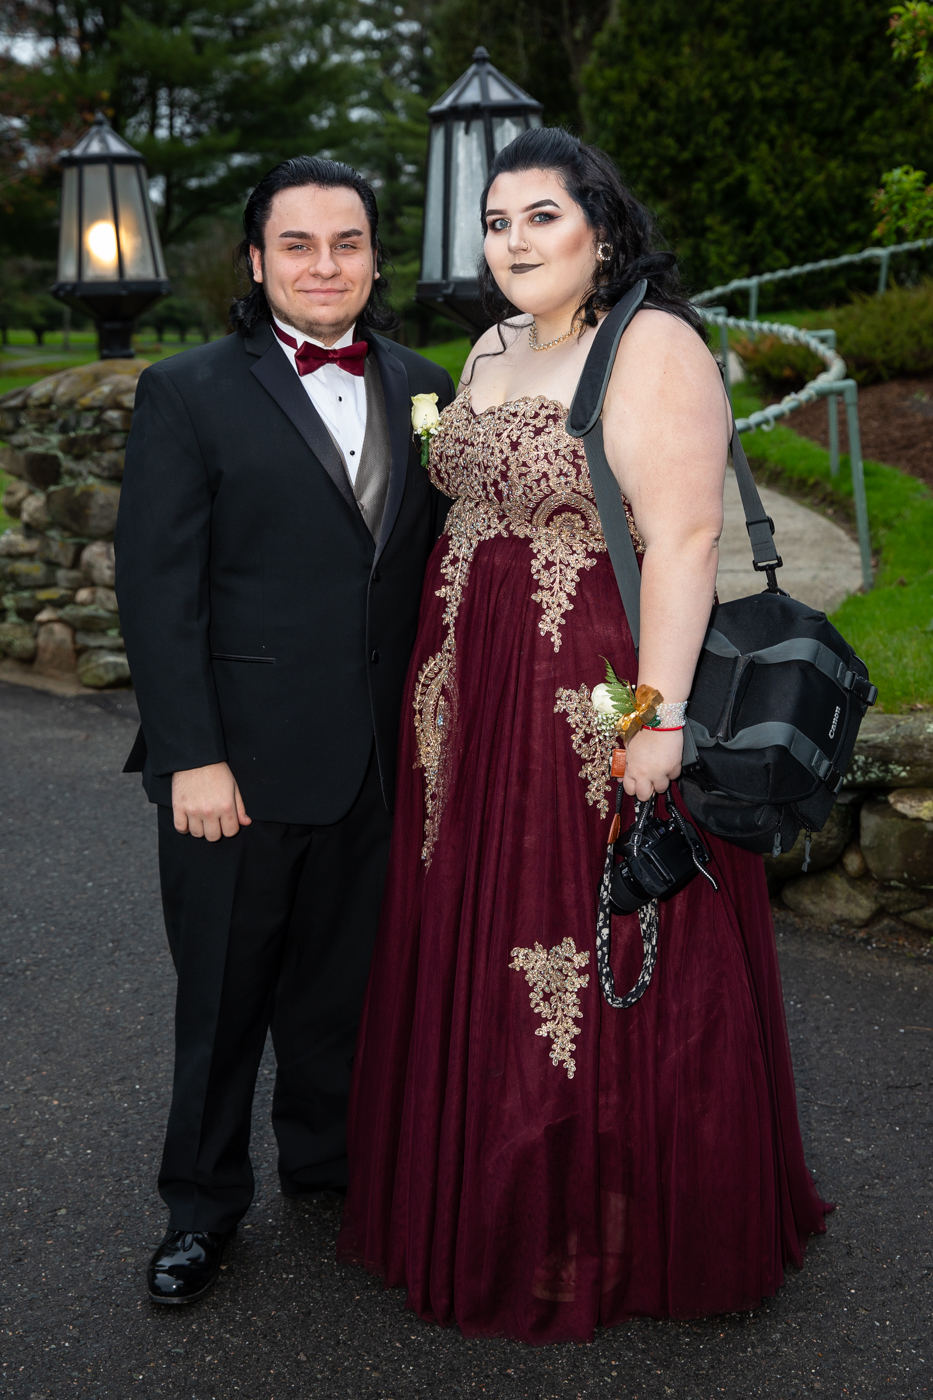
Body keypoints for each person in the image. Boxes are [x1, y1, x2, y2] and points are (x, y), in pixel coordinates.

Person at [337, 128, 830, 1343]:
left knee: (591, 911)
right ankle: (487, 1194)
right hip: (468, 683)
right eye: (497, 222)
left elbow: (686, 543)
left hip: (591, 683)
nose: (513, 242)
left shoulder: (652, 344)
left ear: (600, 227)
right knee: (477, 915)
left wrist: (655, 718)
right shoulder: (498, 343)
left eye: (540, 217)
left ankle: (608, 1223)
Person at [115, 156, 454, 1305]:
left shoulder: (426, 383)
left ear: (373, 256)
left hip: (378, 765)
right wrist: (189, 755)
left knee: (341, 991)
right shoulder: (187, 390)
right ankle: (201, 1208)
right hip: (235, 767)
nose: (325, 265)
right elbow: (160, 593)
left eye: (347, 243)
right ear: (256, 262)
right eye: (298, 245)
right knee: (222, 1002)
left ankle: (330, 1166)